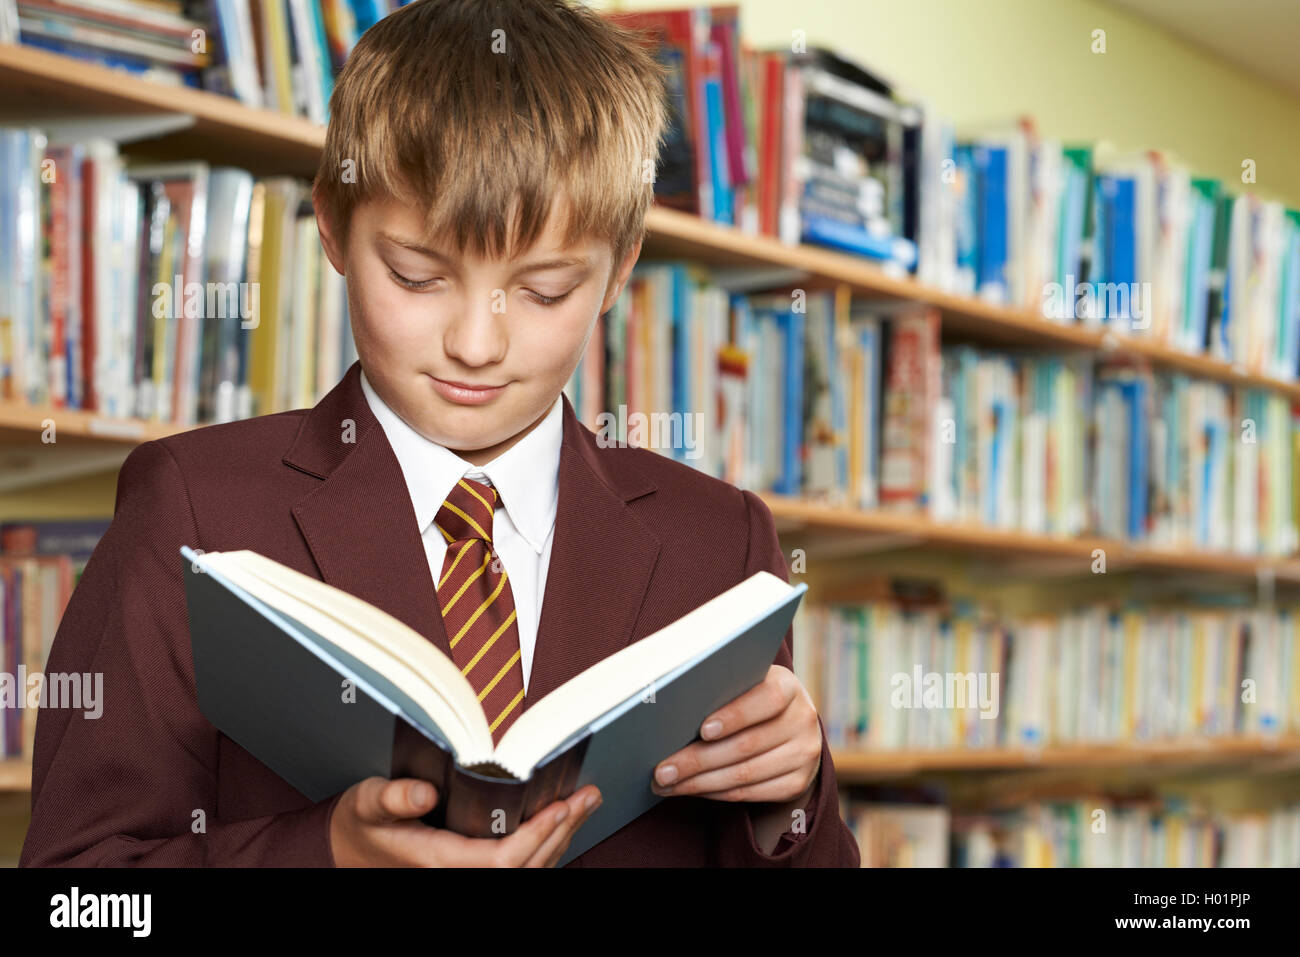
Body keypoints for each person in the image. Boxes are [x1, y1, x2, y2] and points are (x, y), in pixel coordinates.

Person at [21, 0, 859, 867]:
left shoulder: (722, 544)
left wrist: (792, 795)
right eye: (417, 275)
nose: (476, 343)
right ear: (335, 230)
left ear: (620, 272)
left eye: (543, 291)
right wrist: (329, 855)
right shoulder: (191, 507)